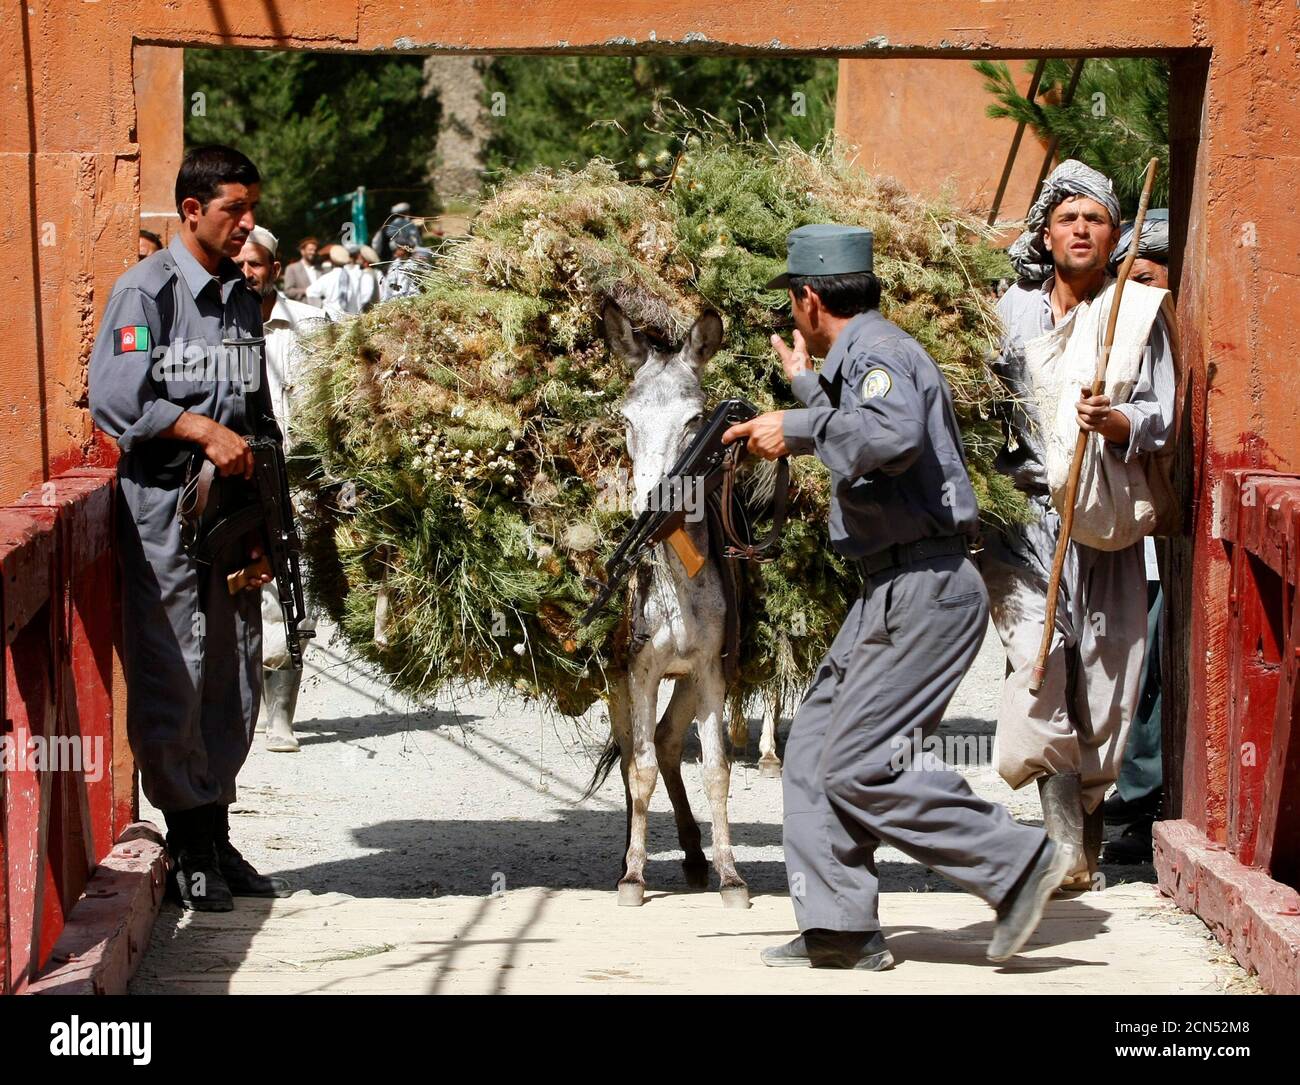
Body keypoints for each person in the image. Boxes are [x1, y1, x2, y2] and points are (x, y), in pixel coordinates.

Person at [723, 224, 1070, 970]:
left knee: (860, 763)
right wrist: (808, 389)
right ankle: (840, 927)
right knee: (813, 745)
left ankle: (1017, 862)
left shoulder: (880, 353)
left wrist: (800, 426)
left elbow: (892, 433)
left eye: (793, 301)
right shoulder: (864, 358)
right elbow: (869, 417)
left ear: (808, 297)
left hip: (926, 587)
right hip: (892, 586)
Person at [88, 145, 289, 911]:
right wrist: (198, 427)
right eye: (234, 209)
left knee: (235, 669)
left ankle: (215, 823)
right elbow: (114, 401)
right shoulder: (146, 294)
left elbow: (257, 410)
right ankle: (189, 840)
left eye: (252, 207)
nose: (248, 223)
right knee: (177, 669)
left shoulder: (241, 296)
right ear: (192, 211)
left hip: (232, 516)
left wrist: (270, 524)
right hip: (165, 513)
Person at [979, 163, 1178, 890]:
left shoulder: (1136, 313)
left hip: (1104, 521)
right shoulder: (1013, 313)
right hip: (1025, 520)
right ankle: (1062, 843)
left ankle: (1084, 844)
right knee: (1039, 664)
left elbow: (1164, 414)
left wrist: (1118, 420)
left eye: (1096, 219)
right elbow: (980, 407)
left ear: (1115, 233)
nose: (1083, 230)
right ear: (1047, 231)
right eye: (1069, 218)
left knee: (1103, 674)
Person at [234, 226, 328, 753]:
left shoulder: (311, 326)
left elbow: (335, 404)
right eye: (241, 263)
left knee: (293, 592)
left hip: (297, 479)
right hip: (236, 478)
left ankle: (281, 716)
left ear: (275, 267)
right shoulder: (218, 326)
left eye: (257, 264)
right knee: (244, 592)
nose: (248, 273)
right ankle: (242, 707)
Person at [1101, 209, 1172, 863]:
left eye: (1147, 274)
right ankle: (1131, 784)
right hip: (1126, 531)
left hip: (1152, 529)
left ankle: (1149, 797)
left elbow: (1161, 422)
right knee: (1124, 665)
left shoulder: (1162, 330)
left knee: (1147, 672)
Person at [306, 243, 355, 320]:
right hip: (352, 319)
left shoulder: (327, 278)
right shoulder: (356, 276)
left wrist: (319, 309)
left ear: (332, 259)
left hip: (331, 319)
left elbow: (310, 291)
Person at [381, 223, 426, 301]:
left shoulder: (413, 264)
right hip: (394, 300)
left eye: (398, 249)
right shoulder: (394, 264)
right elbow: (388, 286)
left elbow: (415, 287)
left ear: (404, 250)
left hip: (410, 300)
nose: (395, 251)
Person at [282, 236, 320, 302]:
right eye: (310, 250)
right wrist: (307, 291)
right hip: (302, 308)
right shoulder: (292, 268)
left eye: (315, 250)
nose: (313, 252)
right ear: (302, 251)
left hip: (321, 308)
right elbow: (288, 291)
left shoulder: (319, 269)